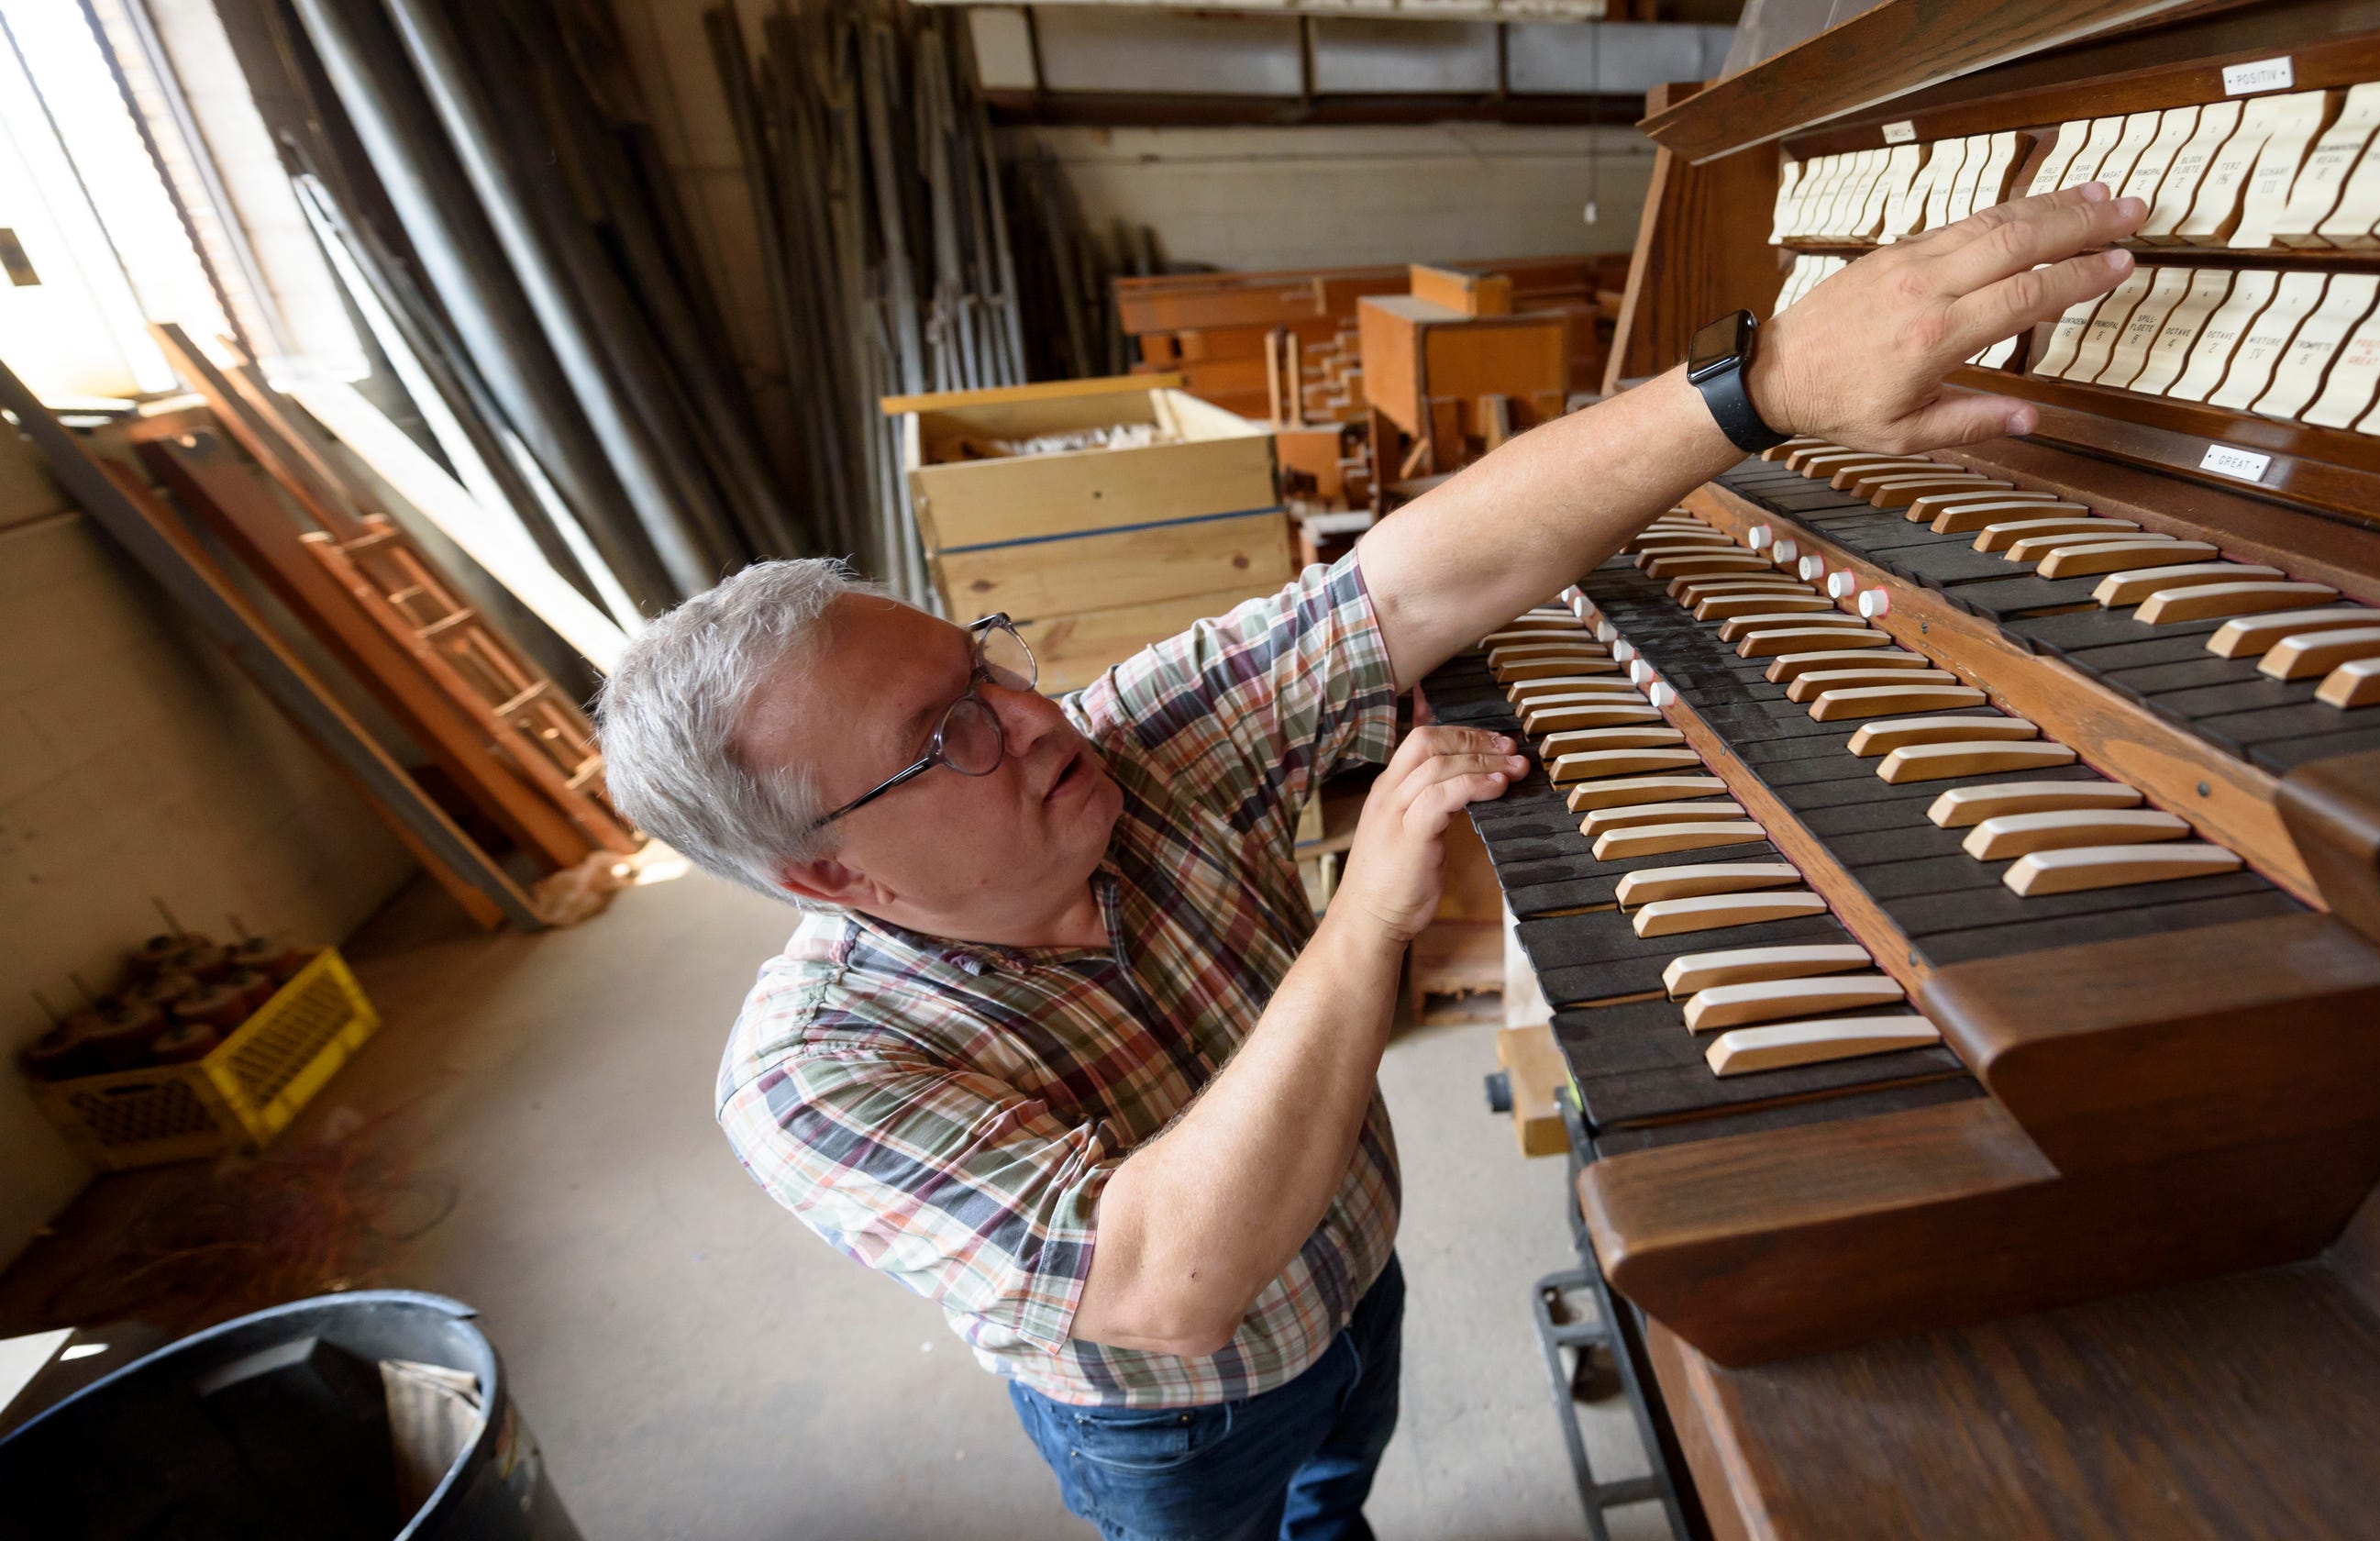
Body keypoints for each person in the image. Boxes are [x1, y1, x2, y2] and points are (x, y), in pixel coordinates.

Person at [595, 185, 2147, 1540]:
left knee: (1342, 1481)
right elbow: (1165, 1282)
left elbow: (1406, 581)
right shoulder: (810, 1081)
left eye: (985, 661)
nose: (1037, 712)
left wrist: (1761, 386)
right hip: (1176, 1410)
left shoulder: (1113, 753)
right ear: (834, 882)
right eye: (954, 738)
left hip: (1354, 1261)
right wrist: (1369, 918)